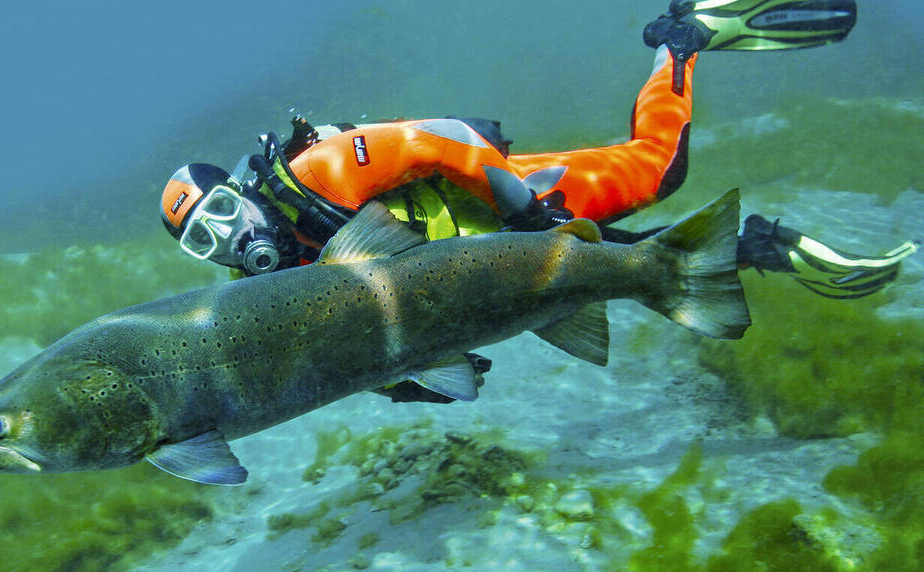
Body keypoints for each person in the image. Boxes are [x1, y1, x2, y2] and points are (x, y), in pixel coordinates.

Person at [158, 0, 917, 400]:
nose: (227, 240)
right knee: (655, 267)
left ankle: (681, 38)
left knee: (658, 171)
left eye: (221, 213)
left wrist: (524, 209)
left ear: (240, 189)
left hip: (511, 204)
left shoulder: (320, 171)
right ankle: (764, 243)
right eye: (203, 241)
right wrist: (407, 382)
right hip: (494, 270)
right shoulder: (258, 287)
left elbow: (442, 139)